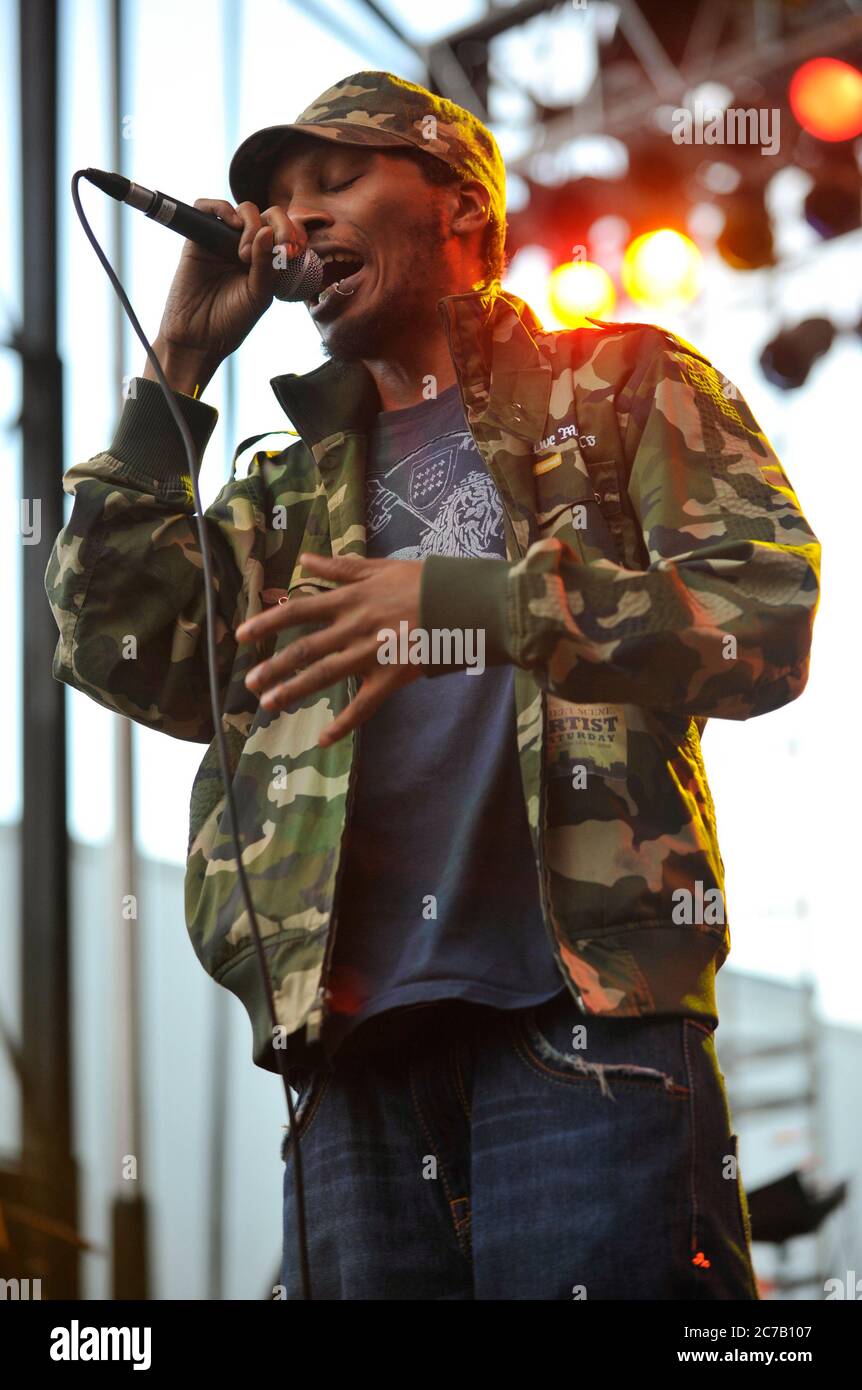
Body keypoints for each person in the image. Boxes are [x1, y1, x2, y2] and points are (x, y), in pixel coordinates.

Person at [45, 70, 821, 1300]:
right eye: (278, 202)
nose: (293, 223)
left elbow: (761, 618)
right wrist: (176, 365)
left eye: (334, 181)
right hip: (349, 1061)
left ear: (460, 204)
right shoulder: (285, 488)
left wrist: (459, 604)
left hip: (584, 1028)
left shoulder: (619, 384)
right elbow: (115, 638)